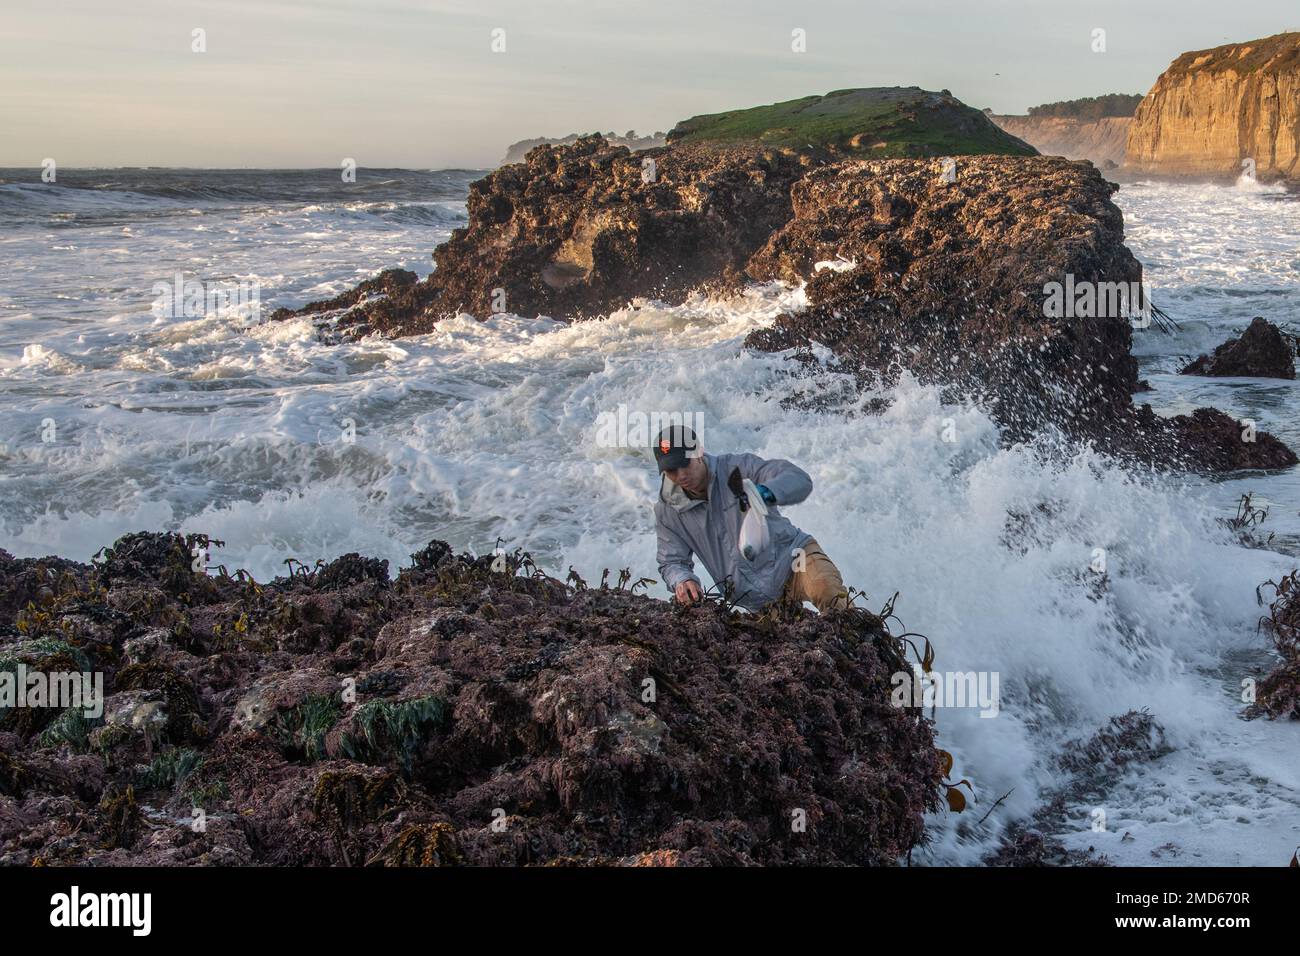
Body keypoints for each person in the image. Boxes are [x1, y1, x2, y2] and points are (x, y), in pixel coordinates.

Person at [652, 425, 849, 613]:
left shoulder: (738, 468)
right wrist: (682, 579)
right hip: (757, 602)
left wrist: (767, 492)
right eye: (671, 470)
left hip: (795, 559)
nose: (681, 475)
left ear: (699, 452)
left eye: (684, 464)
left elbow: (798, 478)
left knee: (829, 594)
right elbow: (671, 561)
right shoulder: (667, 511)